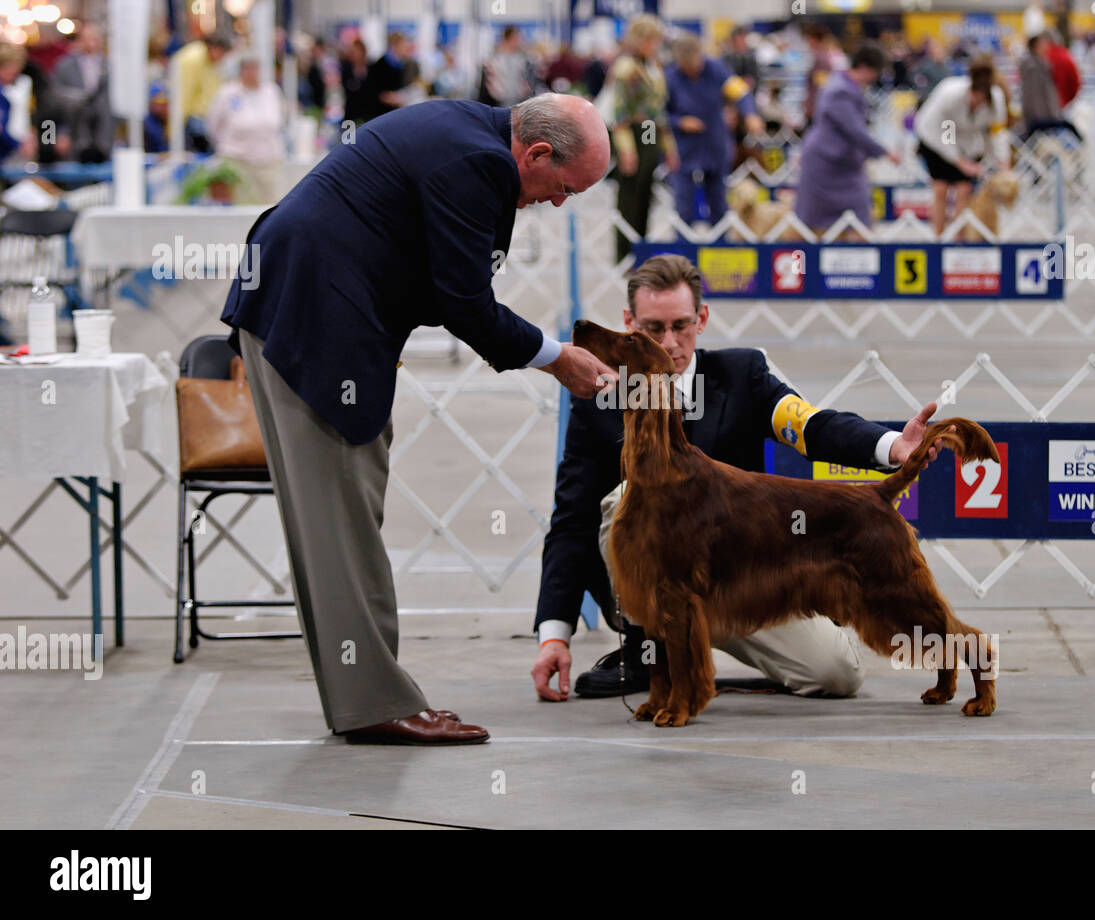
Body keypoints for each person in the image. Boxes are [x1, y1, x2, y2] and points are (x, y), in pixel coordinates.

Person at [221, 93, 616, 745]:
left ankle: (367, 695)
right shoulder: (478, 161)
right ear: (538, 153)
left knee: (346, 517)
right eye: (563, 187)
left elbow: (439, 280)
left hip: (308, 306)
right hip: (315, 319)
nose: (558, 203)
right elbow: (464, 303)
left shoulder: (463, 128)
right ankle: (375, 704)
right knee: (340, 525)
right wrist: (556, 359)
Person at [531, 254, 946, 701]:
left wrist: (891, 447)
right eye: (653, 329)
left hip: (742, 578)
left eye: (681, 325)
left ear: (702, 319)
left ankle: (694, 655)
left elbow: (813, 426)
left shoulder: (741, 375)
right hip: (655, 586)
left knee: (835, 675)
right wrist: (554, 634)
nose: (670, 342)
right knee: (629, 499)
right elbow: (572, 517)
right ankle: (647, 654)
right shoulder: (600, 398)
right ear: (629, 322)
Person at [794, 42, 899, 232]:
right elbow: (854, 129)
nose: (876, 78)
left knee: (854, 221)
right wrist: (884, 152)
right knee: (818, 225)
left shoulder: (843, 84)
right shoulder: (839, 90)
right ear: (866, 68)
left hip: (843, 165)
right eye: (877, 72)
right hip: (826, 163)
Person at [664, 32, 762, 227]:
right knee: (683, 207)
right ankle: (681, 252)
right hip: (684, 149)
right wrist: (679, 121)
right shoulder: (670, 77)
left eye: (694, 63)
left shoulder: (717, 69)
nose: (692, 69)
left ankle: (720, 250)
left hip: (714, 145)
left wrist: (750, 114)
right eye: (686, 66)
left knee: (719, 206)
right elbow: (656, 114)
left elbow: (741, 93)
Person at [912, 53, 1012, 236]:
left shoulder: (996, 100)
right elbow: (945, 136)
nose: (978, 102)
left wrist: (1004, 164)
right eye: (976, 97)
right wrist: (960, 162)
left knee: (963, 191)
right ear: (971, 90)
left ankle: (959, 239)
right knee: (940, 189)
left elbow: (998, 134)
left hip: (967, 142)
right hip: (935, 138)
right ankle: (939, 238)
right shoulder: (950, 95)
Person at [609, 14, 679, 262]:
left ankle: (640, 252)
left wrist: (669, 148)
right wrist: (626, 151)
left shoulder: (654, 67)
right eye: (652, 40)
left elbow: (658, 112)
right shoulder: (625, 69)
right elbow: (620, 115)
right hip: (632, 135)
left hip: (651, 133)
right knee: (629, 198)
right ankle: (623, 255)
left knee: (646, 196)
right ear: (640, 40)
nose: (656, 45)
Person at [206, 56, 285, 203]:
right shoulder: (227, 93)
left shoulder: (271, 91)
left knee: (268, 203)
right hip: (237, 161)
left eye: (255, 69)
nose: (252, 73)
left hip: (267, 161)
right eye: (247, 69)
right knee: (241, 203)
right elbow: (213, 125)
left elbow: (278, 122)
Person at [50, 25, 113, 163]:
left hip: (103, 134)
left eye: (94, 39)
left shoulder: (110, 66)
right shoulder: (64, 65)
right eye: (87, 39)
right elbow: (55, 97)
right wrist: (60, 134)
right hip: (74, 130)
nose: (91, 43)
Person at [1018, 33, 1081, 140]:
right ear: (1036, 46)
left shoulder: (1039, 64)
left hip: (1045, 114)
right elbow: (1036, 95)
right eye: (1042, 44)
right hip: (1043, 116)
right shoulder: (1034, 67)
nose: (1046, 47)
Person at [176, 33, 232, 151]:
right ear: (214, 48)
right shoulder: (192, 59)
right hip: (195, 117)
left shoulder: (210, 61)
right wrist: (178, 120)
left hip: (208, 116)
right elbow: (185, 91)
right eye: (222, 54)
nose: (222, 58)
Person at [362, 32, 414, 119]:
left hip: (393, 111)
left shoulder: (401, 64)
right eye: (403, 45)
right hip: (380, 113)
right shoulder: (379, 65)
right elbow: (372, 90)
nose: (405, 48)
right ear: (394, 45)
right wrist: (386, 96)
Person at [0, 43, 34, 163]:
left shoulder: (25, 83)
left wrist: (29, 137)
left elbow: (27, 112)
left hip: (20, 144)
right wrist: (16, 144)